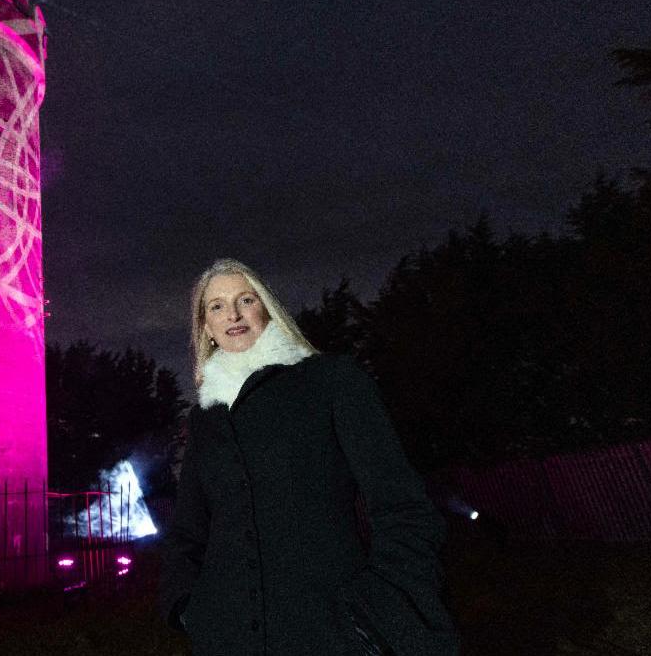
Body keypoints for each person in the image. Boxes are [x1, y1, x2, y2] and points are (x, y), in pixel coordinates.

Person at [160, 258, 460, 656]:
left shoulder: (331, 381)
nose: (232, 314)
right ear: (206, 328)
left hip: (331, 630)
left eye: (245, 299)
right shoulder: (204, 418)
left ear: (266, 308)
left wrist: (384, 601)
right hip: (226, 637)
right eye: (216, 306)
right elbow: (187, 530)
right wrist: (188, 609)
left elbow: (402, 505)